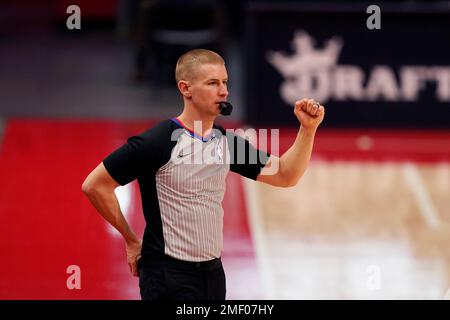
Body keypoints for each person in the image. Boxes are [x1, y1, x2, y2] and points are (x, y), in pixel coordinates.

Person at [81, 48, 325, 300]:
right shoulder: (158, 141)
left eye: (225, 82)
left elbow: (286, 175)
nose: (223, 91)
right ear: (186, 89)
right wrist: (131, 240)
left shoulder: (227, 144)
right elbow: (95, 185)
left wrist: (308, 130)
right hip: (167, 275)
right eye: (212, 83)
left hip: (212, 274)